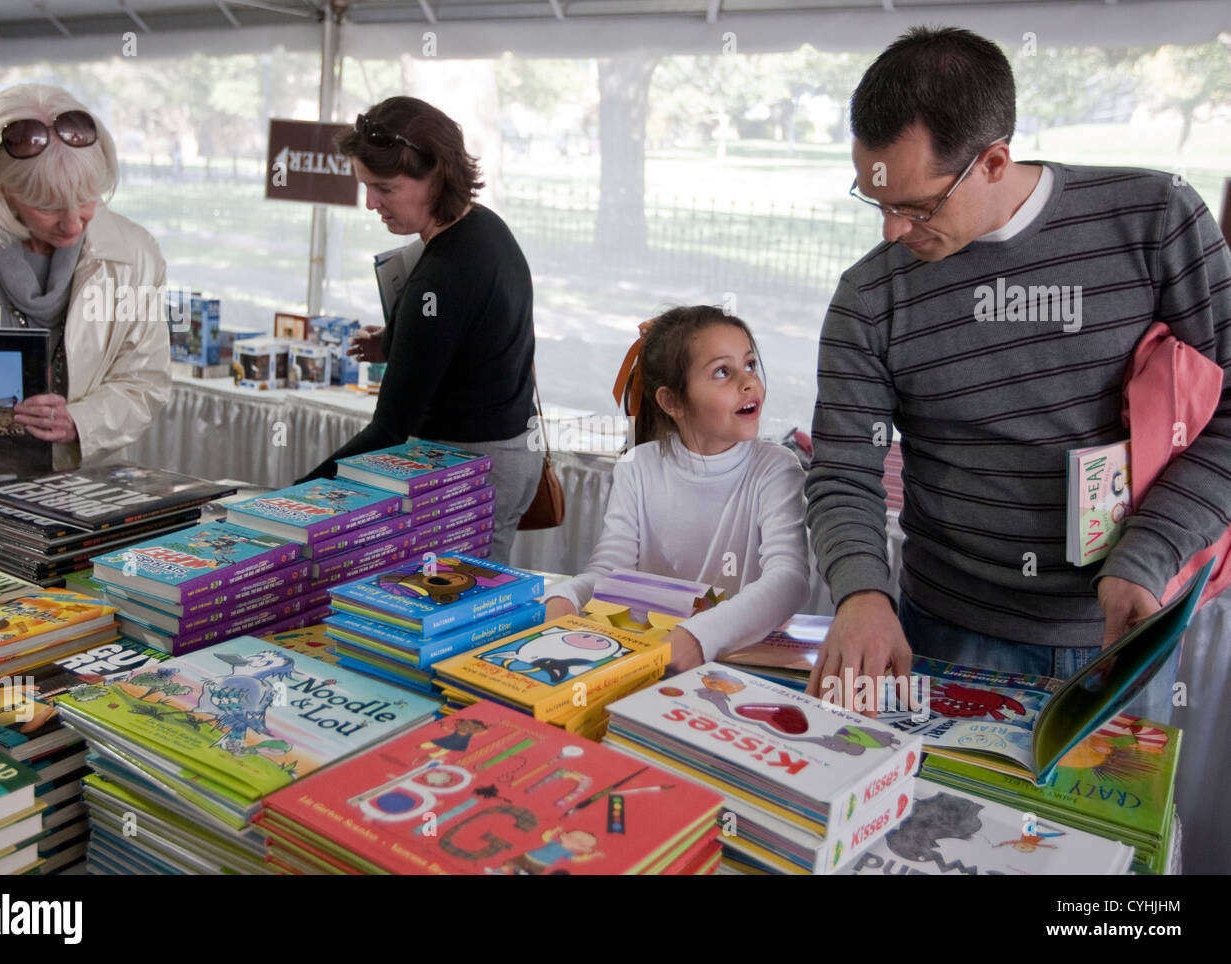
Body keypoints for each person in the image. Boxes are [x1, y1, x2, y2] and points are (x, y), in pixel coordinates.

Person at [803, 27, 1231, 725]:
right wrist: (861, 595)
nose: (890, 231)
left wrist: (1148, 553)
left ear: (995, 161)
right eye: (874, 199)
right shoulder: (870, 297)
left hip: (1123, 630)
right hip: (947, 630)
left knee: (1105, 832)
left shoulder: (1155, 223)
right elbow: (845, 471)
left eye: (915, 206)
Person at [297, 97, 541, 565]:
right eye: (366, 187)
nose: (370, 203)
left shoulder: (443, 272)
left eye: (384, 188)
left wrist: (288, 499)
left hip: (471, 470)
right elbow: (466, 333)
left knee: (459, 613)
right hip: (505, 454)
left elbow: (389, 427)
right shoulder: (484, 228)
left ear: (437, 175)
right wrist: (394, 341)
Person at [543, 306, 810, 674]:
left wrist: (698, 637)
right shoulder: (638, 468)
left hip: (732, 665)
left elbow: (788, 580)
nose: (748, 383)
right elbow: (611, 572)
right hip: (652, 662)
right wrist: (567, 595)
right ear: (672, 402)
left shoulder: (775, 468)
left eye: (749, 365)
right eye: (722, 372)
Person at [0, 84, 170, 472]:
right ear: (2, 190)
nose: (73, 224)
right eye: (49, 206)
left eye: (87, 198)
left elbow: (144, 380)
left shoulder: (135, 254)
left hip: (81, 491)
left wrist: (81, 421)